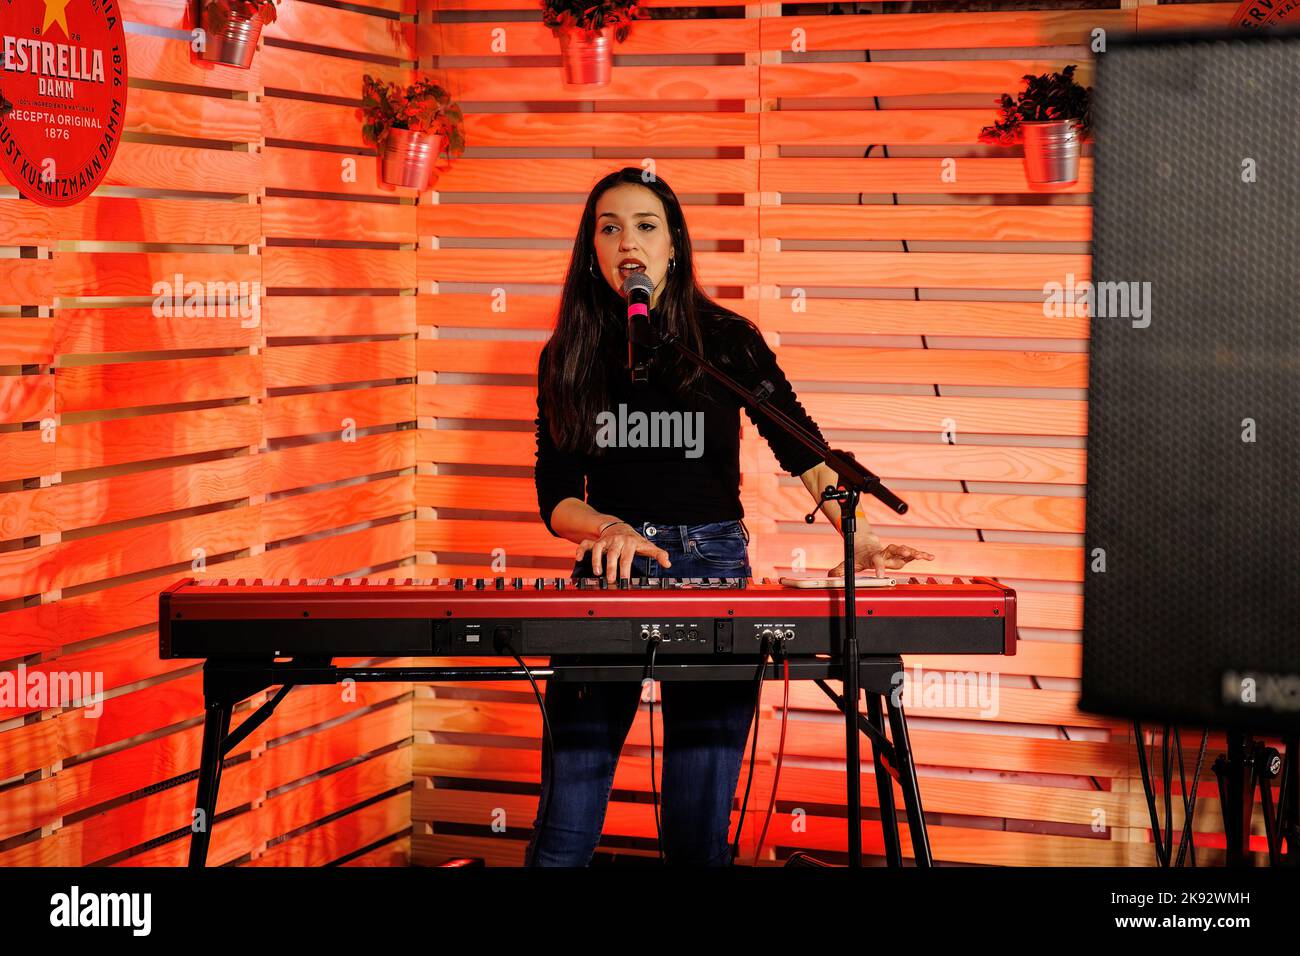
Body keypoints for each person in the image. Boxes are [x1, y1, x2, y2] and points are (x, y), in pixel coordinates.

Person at [525, 167, 933, 866]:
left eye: (646, 225)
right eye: (610, 226)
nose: (629, 241)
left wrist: (858, 534)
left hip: (713, 564)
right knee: (568, 813)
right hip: (610, 567)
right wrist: (606, 528)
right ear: (592, 249)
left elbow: (799, 447)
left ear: (675, 245)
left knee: (697, 819)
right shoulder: (570, 354)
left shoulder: (723, 340)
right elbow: (555, 493)